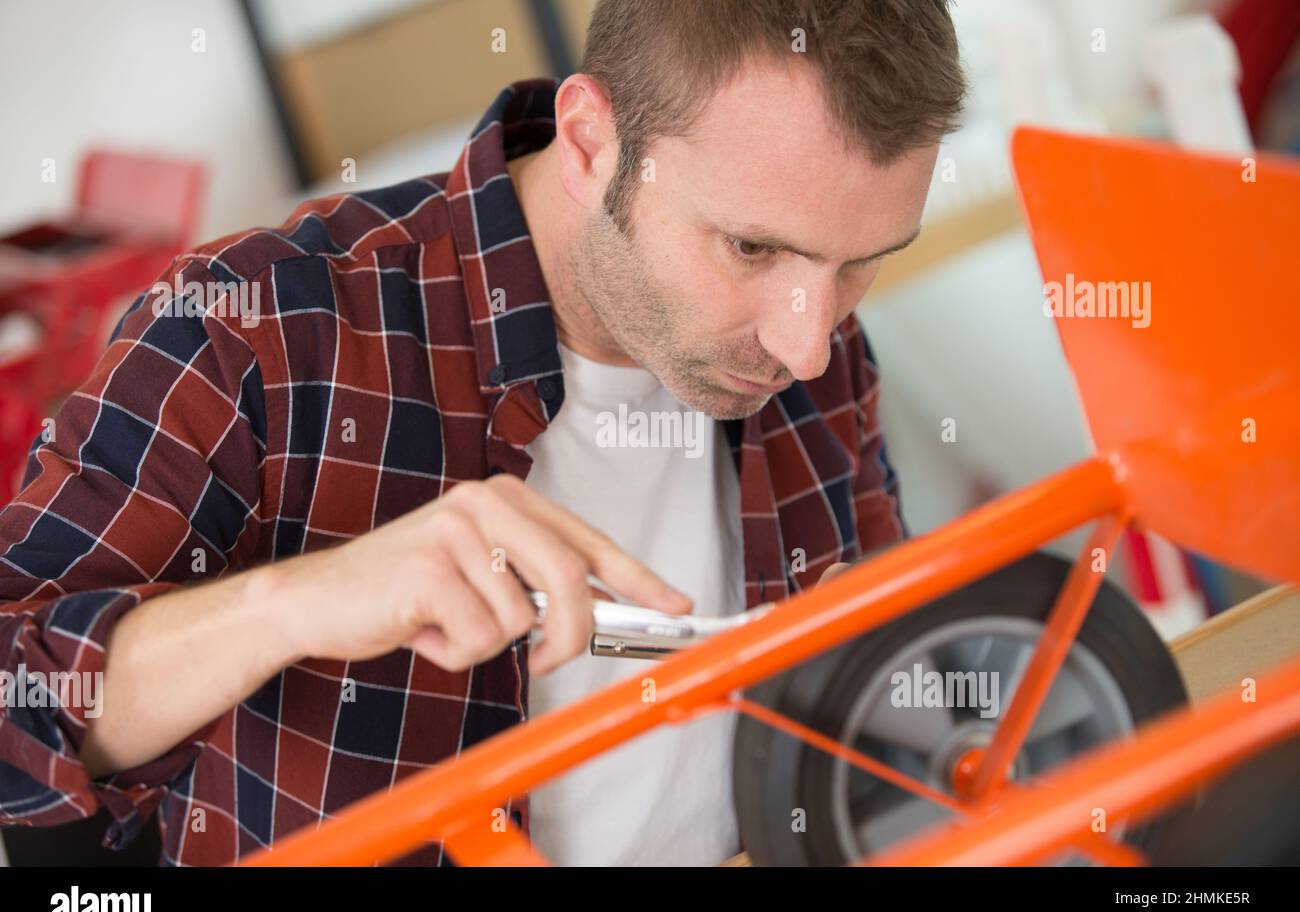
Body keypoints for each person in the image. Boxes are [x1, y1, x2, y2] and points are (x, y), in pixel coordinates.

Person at [0, 0, 965, 865]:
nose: (804, 346)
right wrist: (284, 607)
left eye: (862, 263)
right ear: (590, 142)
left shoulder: (820, 346)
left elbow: (896, 704)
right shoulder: (255, 327)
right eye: (751, 247)